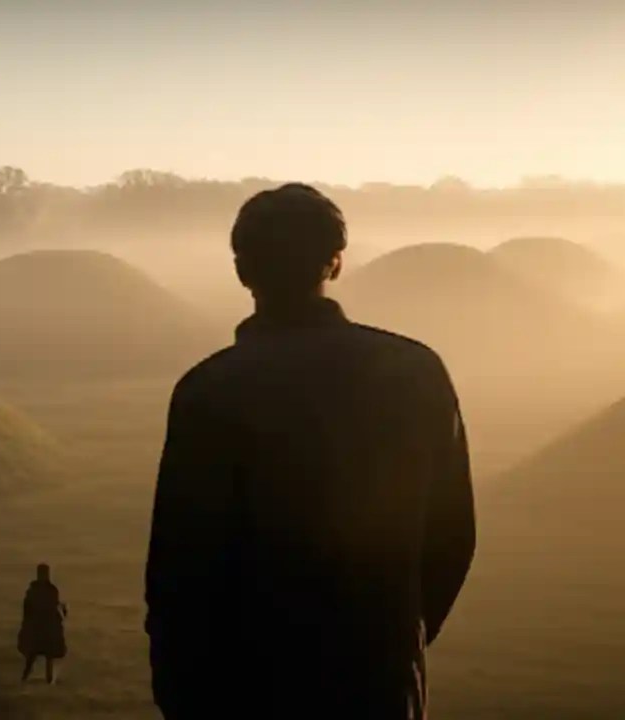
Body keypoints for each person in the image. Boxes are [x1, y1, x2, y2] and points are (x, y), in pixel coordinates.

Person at [144, 183, 476, 719]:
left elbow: (180, 560)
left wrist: (180, 687)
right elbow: (452, 535)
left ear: (242, 270)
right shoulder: (415, 371)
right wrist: (397, 635)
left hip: (246, 684)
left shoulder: (210, 389)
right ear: (336, 263)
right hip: (378, 677)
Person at [18, 563, 68, 684]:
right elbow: (28, 608)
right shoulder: (40, 589)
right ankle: (26, 678)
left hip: (45, 626)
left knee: (45, 655)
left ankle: (46, 679)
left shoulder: (44, 589)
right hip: (40, 626)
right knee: (35, 655)